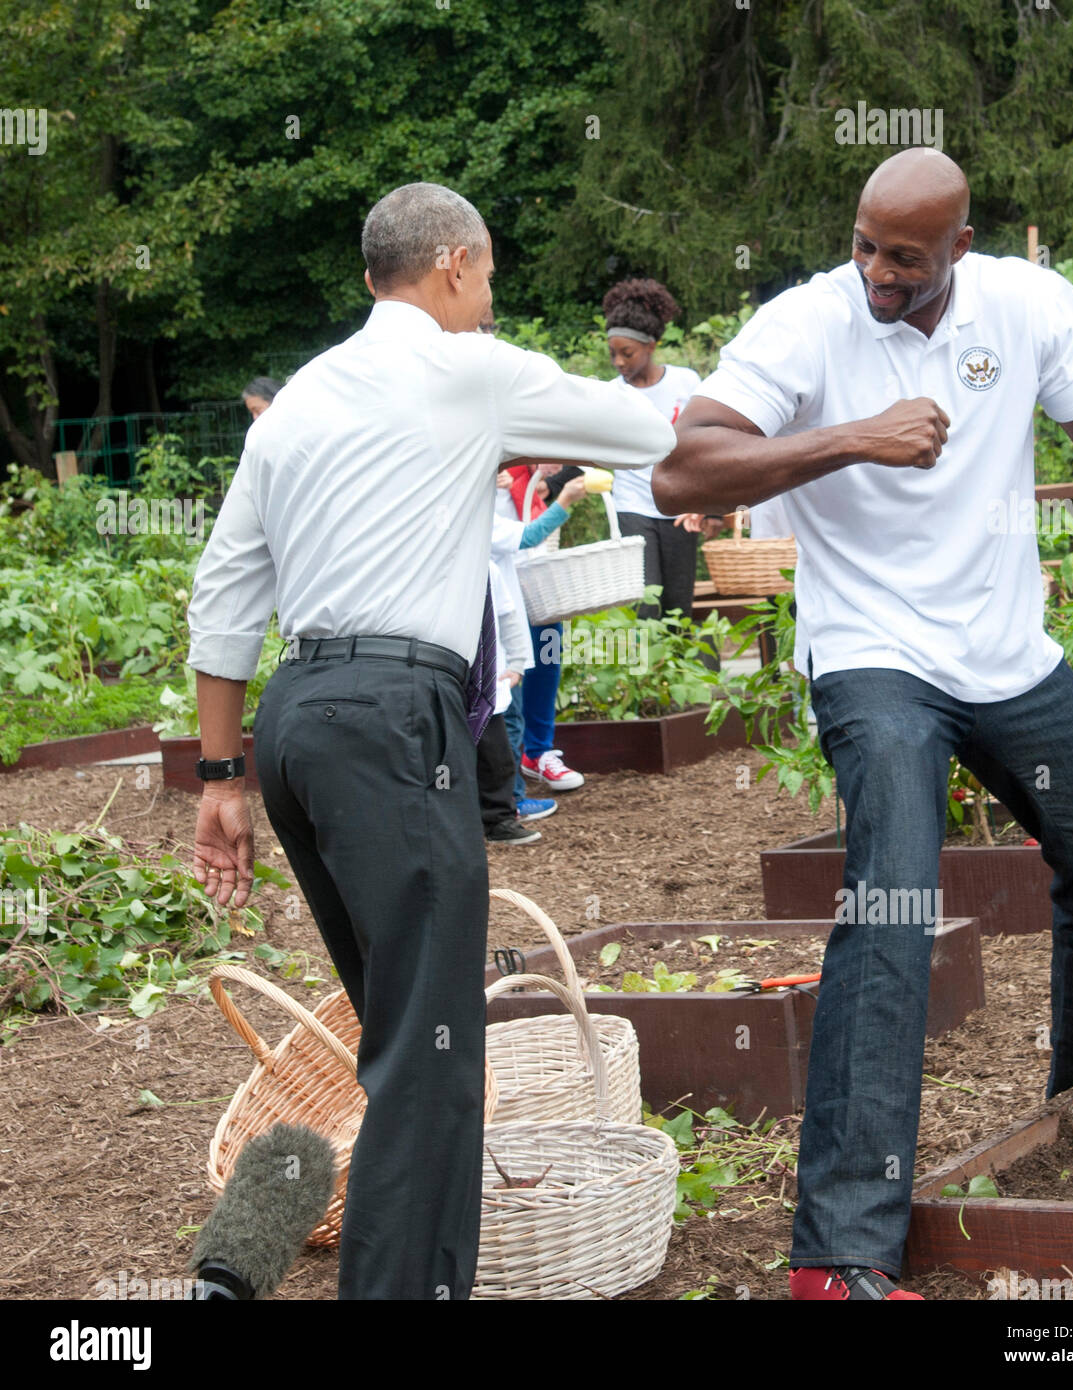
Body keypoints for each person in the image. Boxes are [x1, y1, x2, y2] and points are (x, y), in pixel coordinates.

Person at [653, 147, 1073, 1302]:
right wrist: (849, 435)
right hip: (873, 655)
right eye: (863, 245)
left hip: (1006, 658)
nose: (876, 273)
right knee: (891, 897)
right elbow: (681, 472)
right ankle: (840, 1253)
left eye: (904, 258)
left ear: (959, 252)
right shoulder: (806, 325)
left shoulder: (1029, 305)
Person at [186, 181, 677, 1300]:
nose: (491, 300)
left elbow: (224, 593)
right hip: (389, 719)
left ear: (372, 278)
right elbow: (647, 431)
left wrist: (220, 780)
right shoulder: (471, 369)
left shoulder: (299, 402)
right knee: (433, 1054)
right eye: (492, 278)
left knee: (402, 1027)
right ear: (454, 265)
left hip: (294, 724)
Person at [603, 277, 723, 621]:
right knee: (645, 605)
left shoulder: (685, 383)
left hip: (679, 507)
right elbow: (589, 443)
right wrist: (551, 484)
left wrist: (712, 509)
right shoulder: (614, 394)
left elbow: (707, 445)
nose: (619, 362)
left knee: (677, 607)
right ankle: (643, 674)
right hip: (632, 505)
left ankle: (672, 675)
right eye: (612, 354)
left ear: (652, 346)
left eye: (627, 353)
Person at [491, 471, 588, 818]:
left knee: (546, 659)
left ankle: (537, 753)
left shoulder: (528, 469)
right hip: (505, 575)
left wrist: (552, 478)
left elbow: (573, 463)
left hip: (537, 574)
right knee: (508, 684)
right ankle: (510, 793)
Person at [476, 558, 537, 844]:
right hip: (444, 684)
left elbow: (508, 617)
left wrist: (517, 663)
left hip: (489, 681)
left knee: (497, 759)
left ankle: (499, 819)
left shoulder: (487, 568)